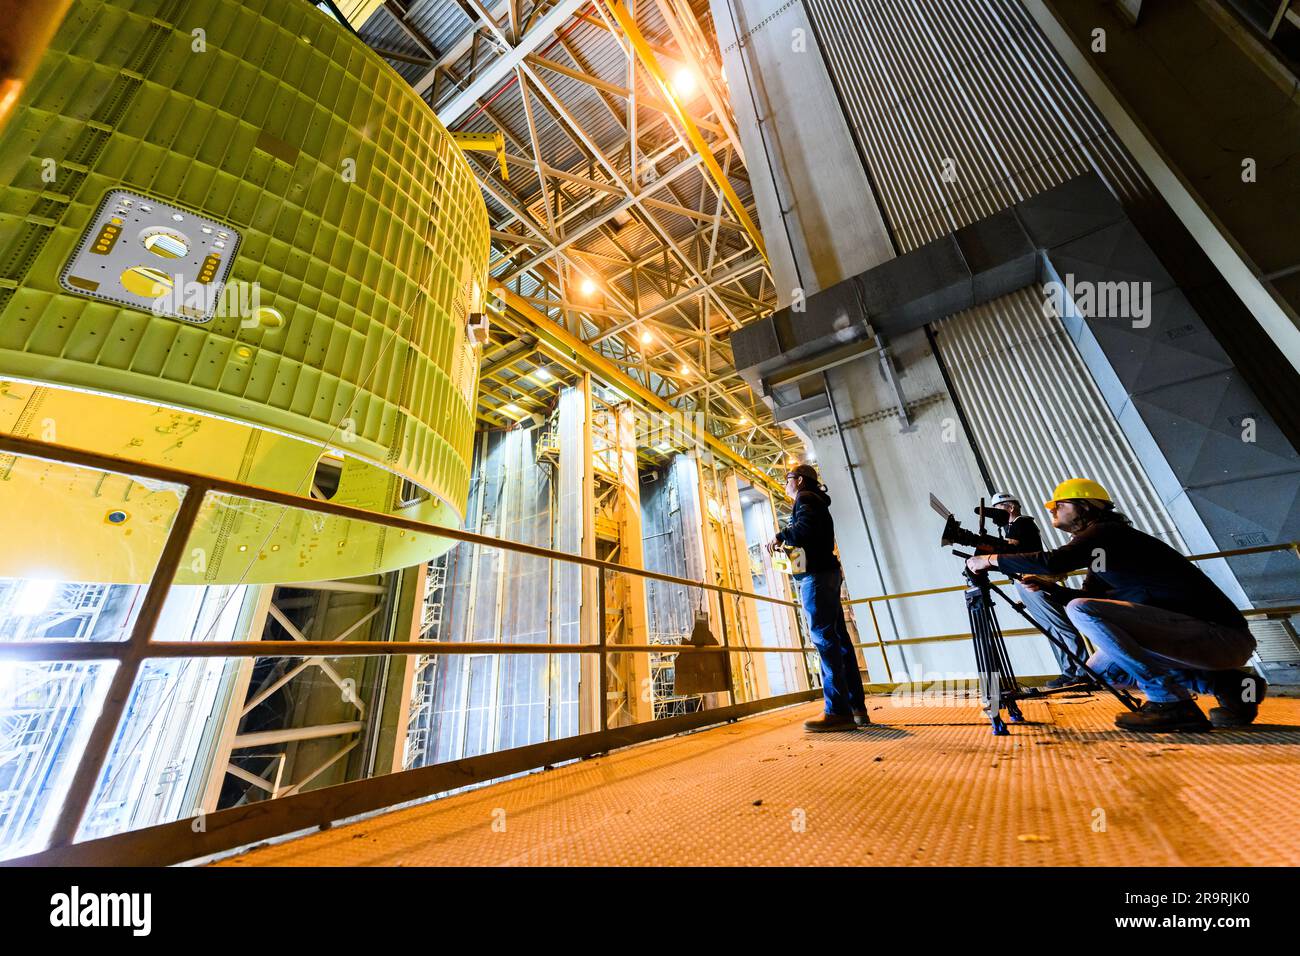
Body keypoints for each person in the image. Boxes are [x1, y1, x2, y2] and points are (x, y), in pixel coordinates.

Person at [965, 478, 1265, 732]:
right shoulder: (1103, 551)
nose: (1053, 509)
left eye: (1060, 504)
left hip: (1220, 635)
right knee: (1101, 673)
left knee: (1082, 610)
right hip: (1200, 640)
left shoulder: (1106, 533)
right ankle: (1231, 686)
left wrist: (989, 560)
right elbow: (1092, 597)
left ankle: (1170, 702)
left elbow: (1055, 562)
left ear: (1085, 507)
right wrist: (1051, 589)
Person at [767, 463, 869, 732]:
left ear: (799, 480)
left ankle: (837, 712)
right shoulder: (815, 499)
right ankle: (855, 707)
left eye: (788, 479)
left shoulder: (805, 498)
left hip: (817, 576)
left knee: (824, 640)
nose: (785, 484)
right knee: (839, 641)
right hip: (828, 574)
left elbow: (804, 531)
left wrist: (780, 536)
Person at [990, 492, 1094, 690]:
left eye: (998, 509)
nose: (995, 514)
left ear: (1010, 507)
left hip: (1034, 581)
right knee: (1050, 628)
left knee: (1060, 625)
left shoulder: (1022, 523)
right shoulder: (1010, 527)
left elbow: (1012, 551)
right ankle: (1069, 671)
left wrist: (990, 554)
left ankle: (1083, 672)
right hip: (1023, 582)